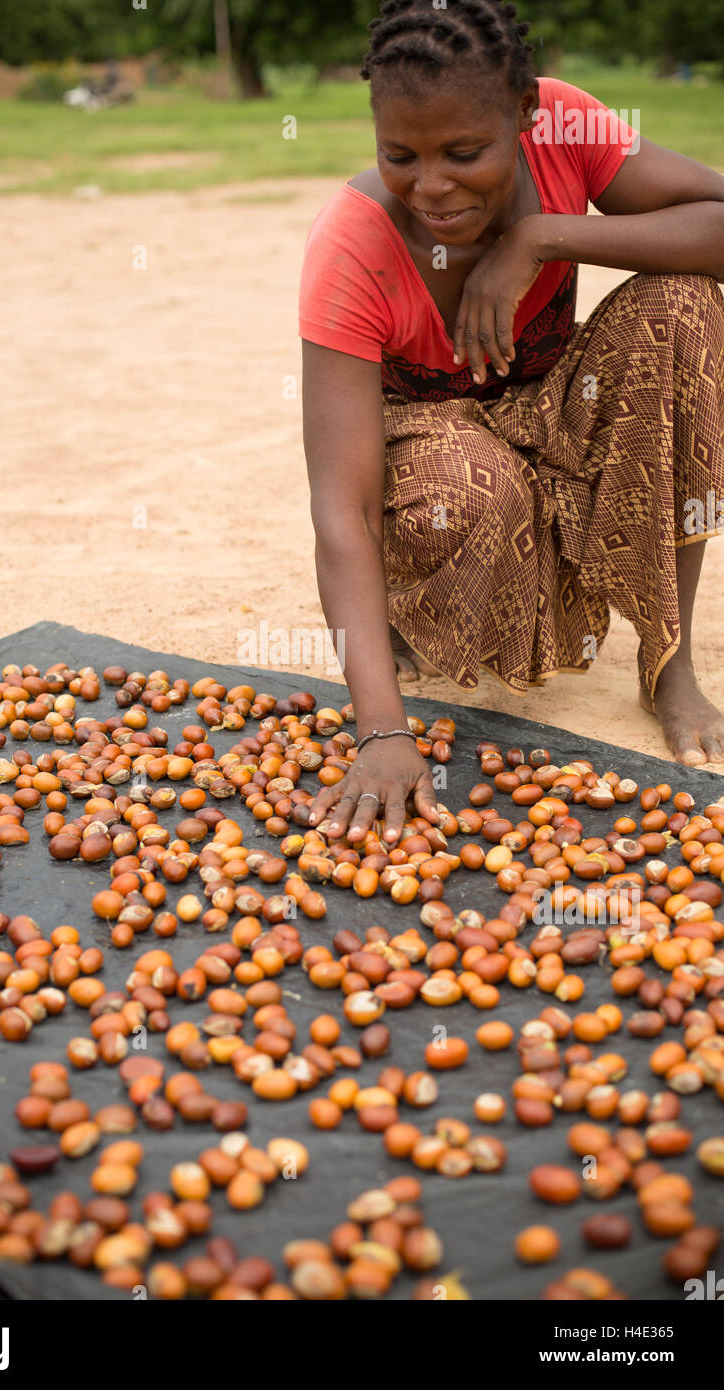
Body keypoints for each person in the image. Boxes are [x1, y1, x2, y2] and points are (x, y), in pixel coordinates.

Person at [300, 0, 724, 849]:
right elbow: (339, 508)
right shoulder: (352, 245)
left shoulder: (565, 124)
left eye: (465, 154)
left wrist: (544, 237)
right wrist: (382, 731)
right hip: (434, 449)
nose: (432, 187)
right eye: (400, 156)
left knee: (683, 309)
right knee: (474, 490)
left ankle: (669, 661)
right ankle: (407, 621)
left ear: (527, 114)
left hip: (547, 403)